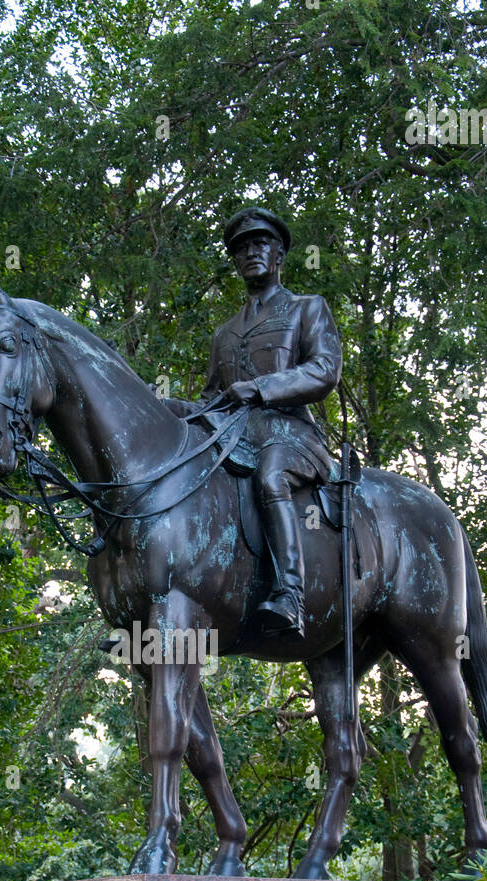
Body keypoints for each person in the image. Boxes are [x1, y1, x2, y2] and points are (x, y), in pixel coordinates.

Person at [168, 207, 343, 638]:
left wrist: (261, 388)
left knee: (270, 476)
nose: (250, 252)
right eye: (241, 247)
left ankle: (291, 595)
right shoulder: (224, 333)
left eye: (259, 243)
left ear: (279, 254)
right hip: (236, 437)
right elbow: (211, 398)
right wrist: (173, 411)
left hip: (293, 435)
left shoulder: (307, 308)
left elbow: (324, 370)